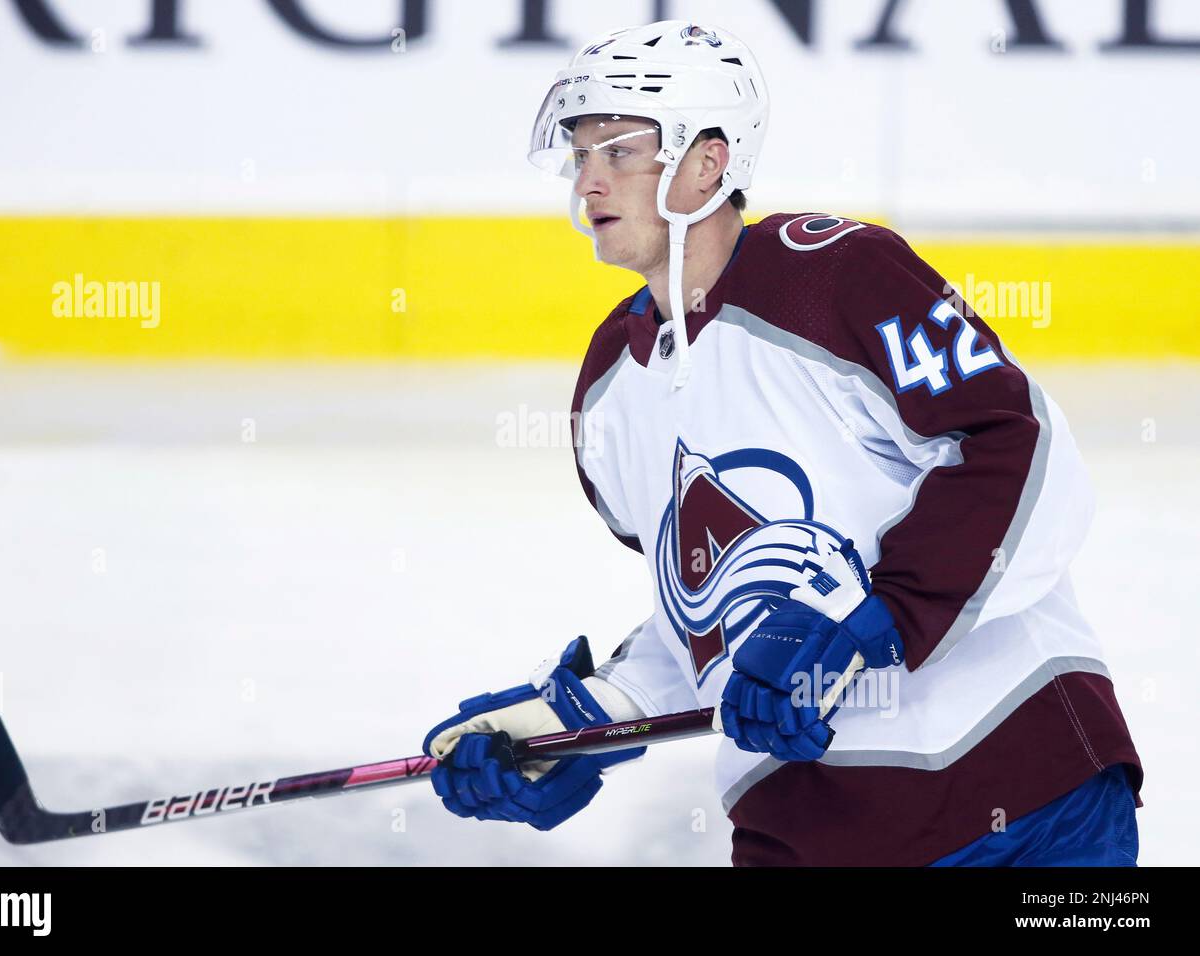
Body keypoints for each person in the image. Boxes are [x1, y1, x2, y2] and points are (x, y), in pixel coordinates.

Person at [421, 20, 1143, 866]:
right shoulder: (609, 390)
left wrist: (880, 625)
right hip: (805, 830)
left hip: (1020, 789)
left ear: (708, 160)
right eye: (579, 155)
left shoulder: (837, 278)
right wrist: (587, 715)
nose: (588, 182)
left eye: (617, 150)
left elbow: (1019, 456)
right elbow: (715, 612)